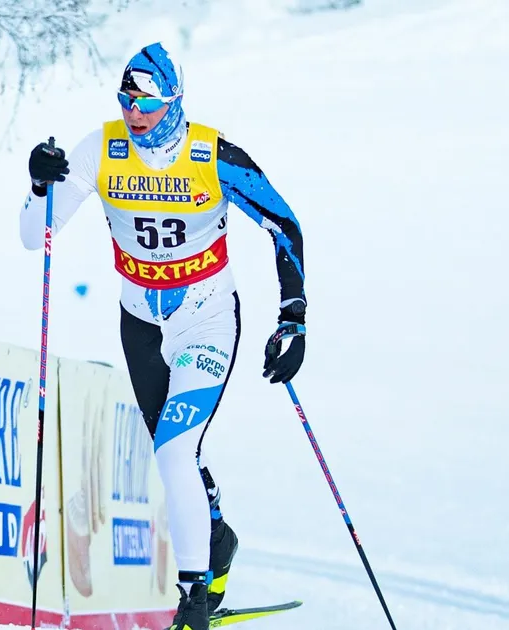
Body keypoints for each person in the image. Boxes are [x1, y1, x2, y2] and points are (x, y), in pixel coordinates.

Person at [18, 41, 306, 630]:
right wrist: (39, 185)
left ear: (174, 100)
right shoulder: (101, 149)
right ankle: (216, 537)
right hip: (141, 324)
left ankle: (194, 596)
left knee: (174, 452)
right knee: (176, 457)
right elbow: (33, 234)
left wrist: (292, 318)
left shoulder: (214, 155)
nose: (133, 109)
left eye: (146, 99)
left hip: (206, 317)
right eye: (125, 97)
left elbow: (284, 225)